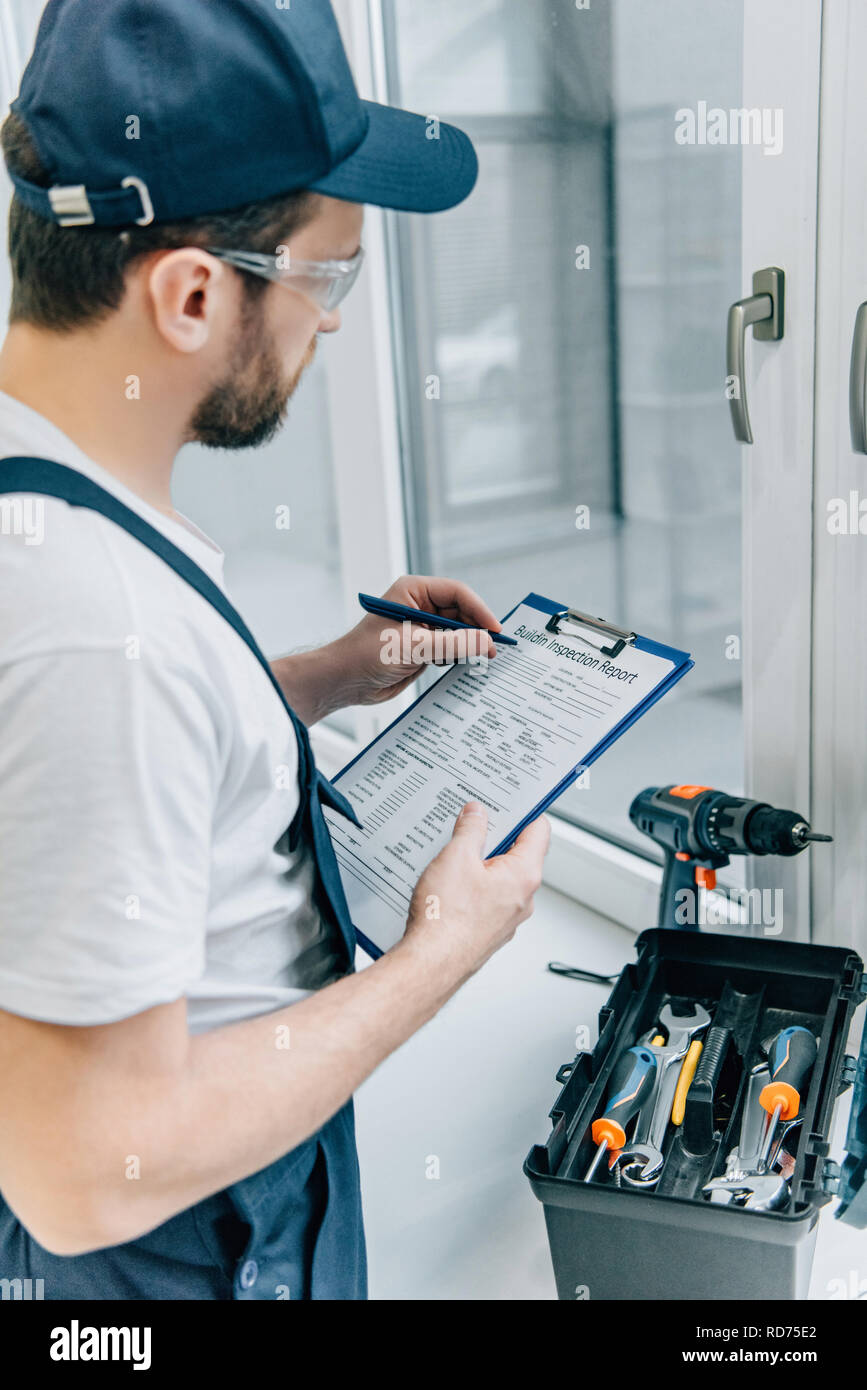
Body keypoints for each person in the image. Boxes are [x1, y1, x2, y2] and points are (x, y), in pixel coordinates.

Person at [0, 0, 550, 1300]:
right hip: (178, 1251)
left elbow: (98, 775)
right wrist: (440, 954)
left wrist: (328, 673)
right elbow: (87, 1166)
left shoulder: (54, 487)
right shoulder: (95, 625)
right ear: (191, 295)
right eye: (329, 277)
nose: (336, 324)